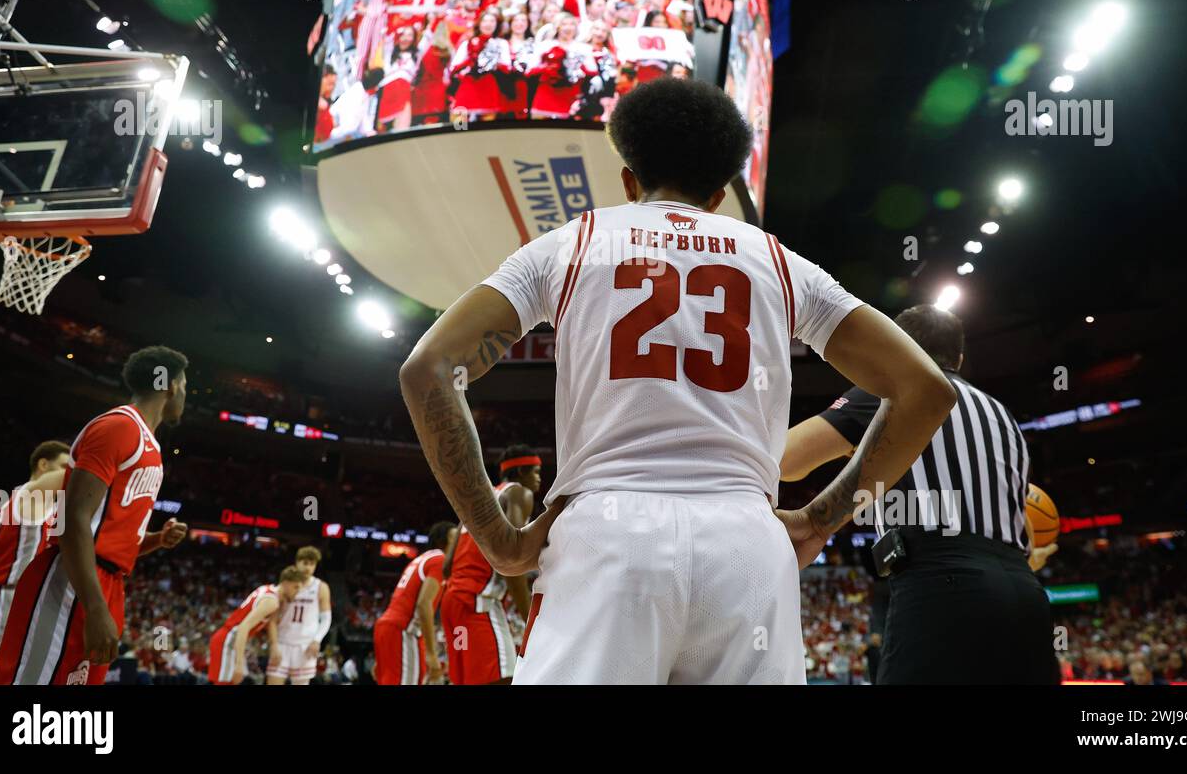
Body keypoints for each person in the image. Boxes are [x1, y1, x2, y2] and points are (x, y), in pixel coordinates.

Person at [400, 77, 955, 684]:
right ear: (720, 194)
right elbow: (925, 388)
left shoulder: (576, 241)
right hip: (748, 543)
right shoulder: (775, 259)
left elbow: (428, 370)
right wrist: (823, 517)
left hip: (610, 538)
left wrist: (499, 540)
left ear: (628, 180)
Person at [782, 306, 1058, 684]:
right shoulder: (1002, 415)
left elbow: (789, 460)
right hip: (1025, 592)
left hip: (941, 588)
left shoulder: (895, 393)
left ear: (899, 349)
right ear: (959, 357)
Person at [0, 346, 191, 686]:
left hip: (107, 582)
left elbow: (107, 537)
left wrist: (155, 541)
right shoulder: (119, 427)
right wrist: (96, 607)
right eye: (185, 385)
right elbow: (72, 518)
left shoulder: (152, 447)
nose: (186, 394)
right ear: (170, 385)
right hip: (74, 581)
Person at [0, 441, 71, 684]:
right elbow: (80, 475)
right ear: (43, 465)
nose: (69, 471)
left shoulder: (26, 504)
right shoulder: (32, 493)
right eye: (64, 466)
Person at [438, 448, 541, 684]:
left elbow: (447, 566)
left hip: (452, 604)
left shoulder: (479, 500)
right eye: (535, 472)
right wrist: (529, 620)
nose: (538, 478)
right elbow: (511, 557)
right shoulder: (519, 493)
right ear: (522, 471)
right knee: (503, 678)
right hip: (478, 602)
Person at [373, 521, 454, 685]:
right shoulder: (440, 559)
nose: (460, 543)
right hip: (404, 629)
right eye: (455, 538)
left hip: (389, 627)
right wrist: (432, 654)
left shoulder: (421, 559)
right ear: (442, 541)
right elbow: (424, 605)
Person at [209, 567, 306, 686]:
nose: (297, 592)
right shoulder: (272, 602)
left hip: (228, 639)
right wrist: (239, 663)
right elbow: (243, 627)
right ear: (285, 583)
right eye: (296, 587)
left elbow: (270, 623)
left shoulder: (267, 589)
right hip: (228, 640)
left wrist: (274, 646)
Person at [268, 546, 331, 686]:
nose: (308, 567)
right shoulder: (286, 584)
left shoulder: (321, 587)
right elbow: (272, 620)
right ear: (297, 562)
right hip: (282, 642)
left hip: (305, 645)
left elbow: (326, 618)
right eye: (305, 563)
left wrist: (317, 640)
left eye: (312, 564)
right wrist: (273, 645)